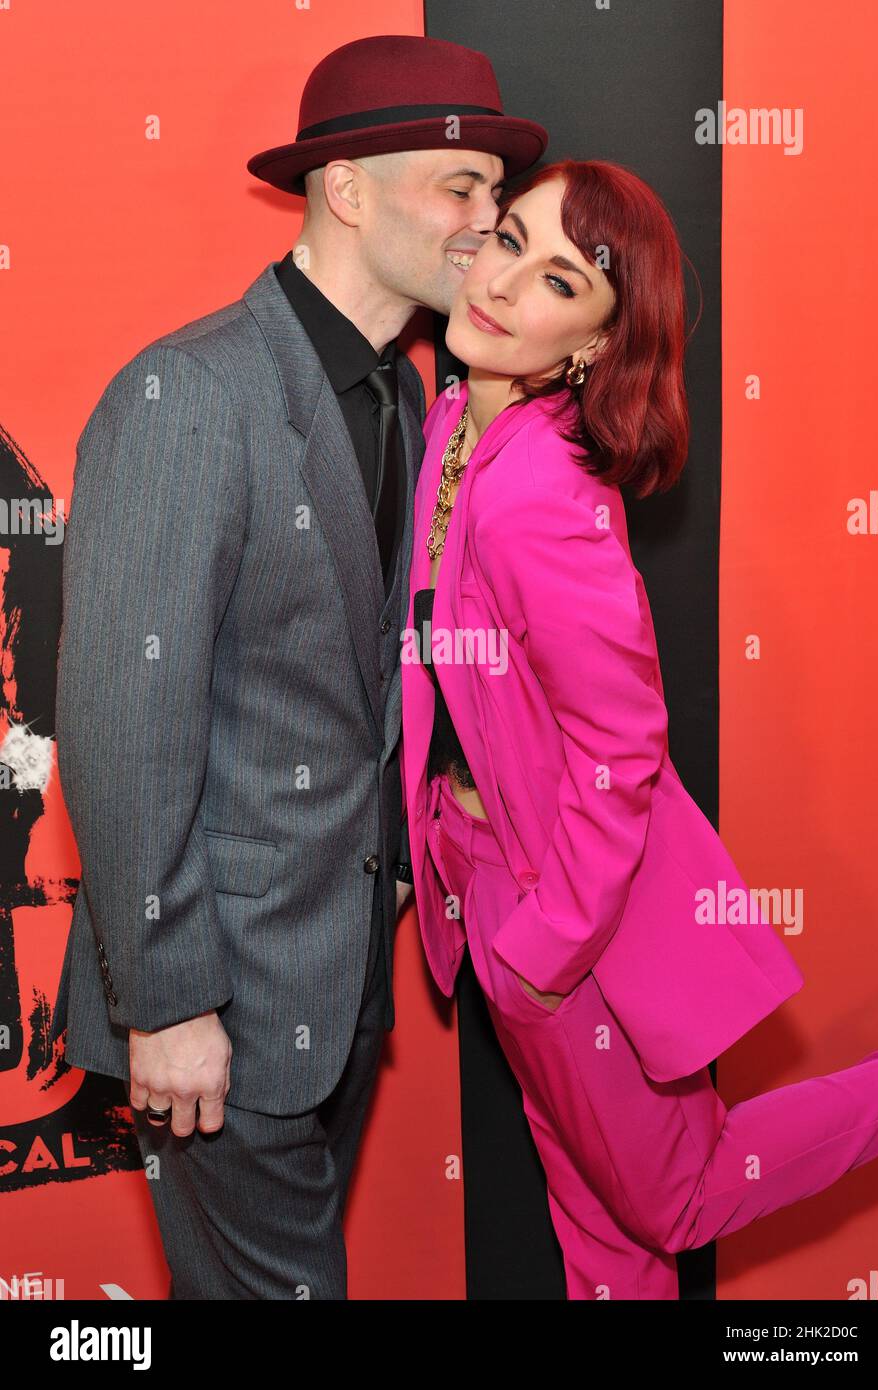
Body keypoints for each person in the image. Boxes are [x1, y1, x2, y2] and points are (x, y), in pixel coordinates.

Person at [50, 34, 547, 1299]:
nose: (485, 226)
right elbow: (121, 716)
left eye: (494, 197)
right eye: (460, 190)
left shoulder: (425, 391)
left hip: (334, 985)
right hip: (214, 1000)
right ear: (346, 189)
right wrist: (166, 1005)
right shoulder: (188, 394)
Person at [400, 157, 878, 1300]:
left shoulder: (543, 493)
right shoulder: (448, 420)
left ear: (588, 344)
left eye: (561, 279)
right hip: (486, 880)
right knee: (597, 1216)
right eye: (510, 237)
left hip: (572, 922)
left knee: (674, 1196)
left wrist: (541, 949)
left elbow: (619, 749)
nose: (504, 283)